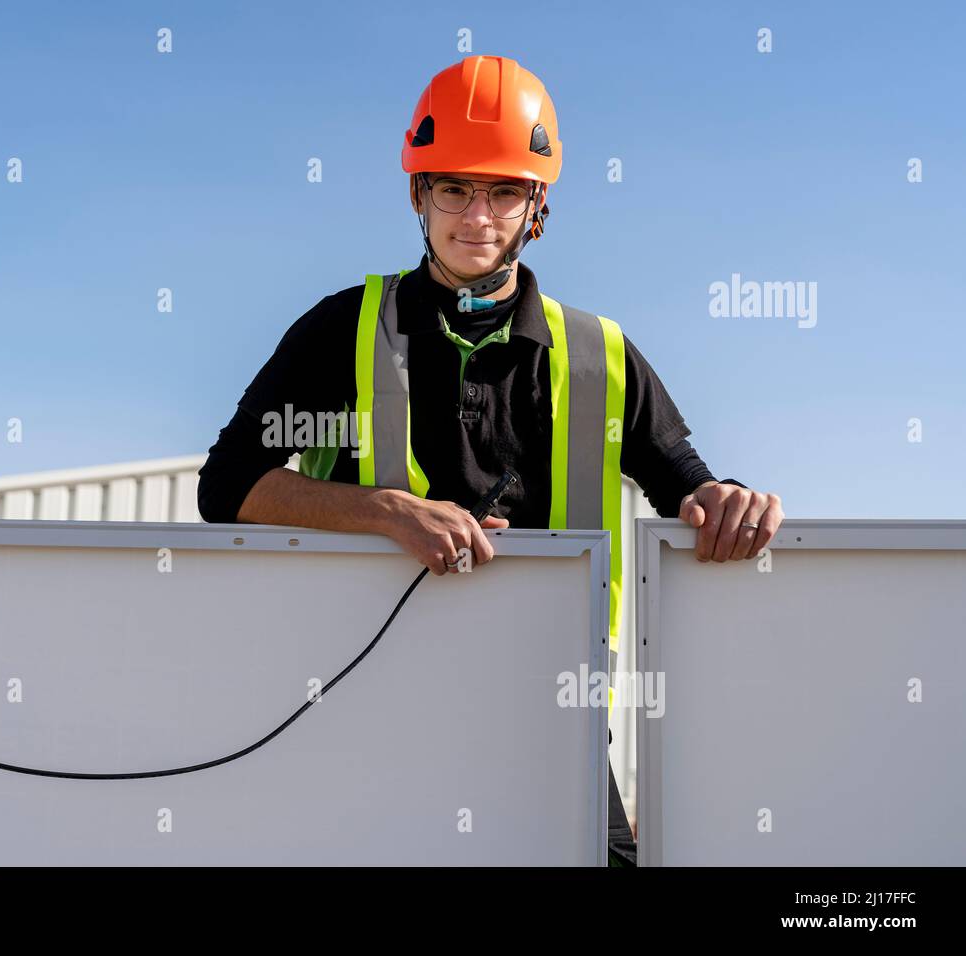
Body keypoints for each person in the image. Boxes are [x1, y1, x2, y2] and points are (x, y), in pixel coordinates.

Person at [197, 54, 784, 866]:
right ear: (418, 194)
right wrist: (387, 511)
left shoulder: (597, 354)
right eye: (455, 188)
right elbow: (226, 486)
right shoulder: (343, 330)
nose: (478, 216)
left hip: (547, 716)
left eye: (505, 191)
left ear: (537, 208)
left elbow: (687, 485)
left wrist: (729, 502)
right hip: (363, 706)